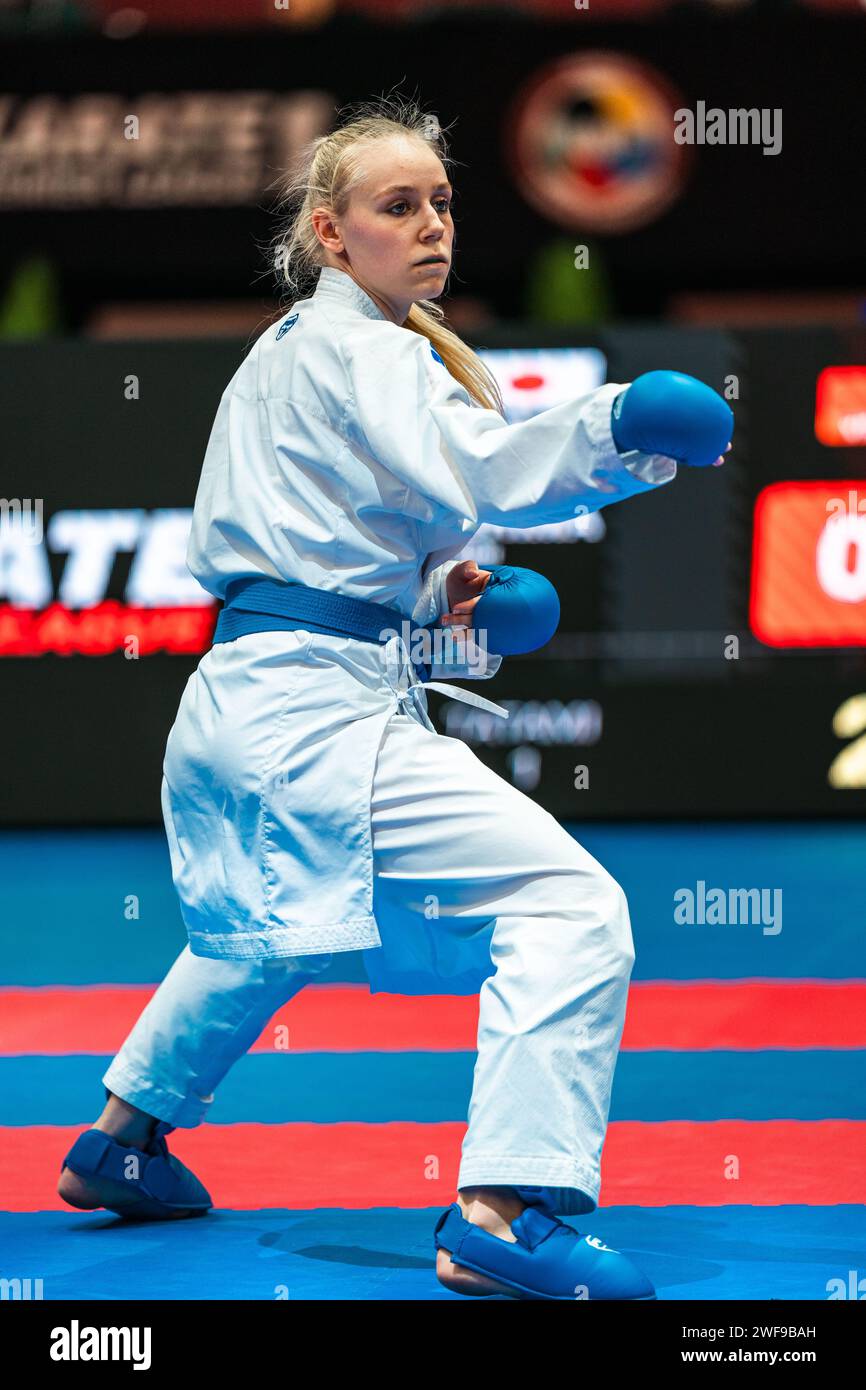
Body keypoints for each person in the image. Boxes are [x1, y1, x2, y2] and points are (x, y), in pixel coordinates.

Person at [58, 94, 731, 1301]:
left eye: (441, 204)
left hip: (247, 706)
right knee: (570, 905)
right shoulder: (360, 347)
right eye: (397, 205)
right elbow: (484, 468)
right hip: (306, 717)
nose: (430, 226)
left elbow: (327, 585)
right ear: (331, 233)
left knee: (271, 925)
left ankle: (123, 1138)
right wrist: (620, 427)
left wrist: (452, 611)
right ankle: (503, 1211)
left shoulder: (285, 355)